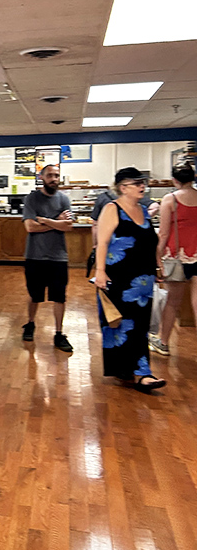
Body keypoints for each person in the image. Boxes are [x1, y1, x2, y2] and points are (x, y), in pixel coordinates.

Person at [94, 167, 166, 391]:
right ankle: (128, 370)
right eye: (136, 183)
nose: (142, 186)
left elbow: (149, 239)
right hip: (118, 278)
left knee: (141, 326)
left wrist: (158, 264)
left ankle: (141, 372)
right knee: (120, 324)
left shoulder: (144, 211)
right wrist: (100, 270)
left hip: (142, 279)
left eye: (142, 182)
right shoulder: (112, 209)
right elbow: (103, 242)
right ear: (123, 187)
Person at [21, 163, 74, 351]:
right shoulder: (32, 199)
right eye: (50, 175)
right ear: (42, 177)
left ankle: (59, 333)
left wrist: (44, 220)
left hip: (58, 257)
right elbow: (30, 227)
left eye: (57, 175)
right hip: (35, 256)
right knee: (34, 295)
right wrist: (57, 222)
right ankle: (30, 323)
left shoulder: (64, 200)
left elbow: (68, 226)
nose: (54, 179)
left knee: (59, 297)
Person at [150, 162, 197, 355]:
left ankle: (163, 342)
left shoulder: (170, 200)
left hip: (176, 255)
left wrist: (157, 259)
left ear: (174, 180)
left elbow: (163, 233)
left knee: (172, 302)